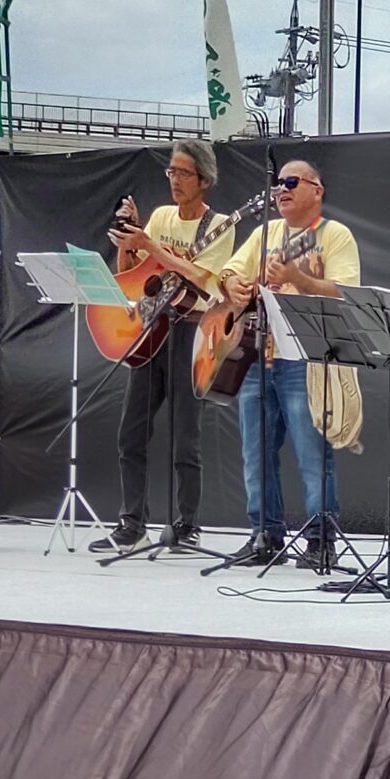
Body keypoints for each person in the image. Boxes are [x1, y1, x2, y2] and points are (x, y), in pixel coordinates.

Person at [213, 159, 361, 568]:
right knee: (255, 451)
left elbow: (345, 291)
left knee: (313, 454)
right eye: (278, 184)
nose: (282, 190)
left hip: (306, 357)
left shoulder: (334, 235)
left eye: (292, 182)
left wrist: (301, 276)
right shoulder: (265, 233)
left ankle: (320, 541)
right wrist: (234, 285)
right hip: (259, 353)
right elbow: (227, 271)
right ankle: (265, 534)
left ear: (318, 189)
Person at [91, 141, 235, 554]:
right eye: (170, 172)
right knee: (131, 431)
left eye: (183, 173)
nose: (174, 180)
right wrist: (128, 245)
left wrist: (152, 247)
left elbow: (206, 281)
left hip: (191, 330)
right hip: (153, 327)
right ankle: (131, 521)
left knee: (185, 436)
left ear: (204, 180)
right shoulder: (160, 217)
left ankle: (186, 525)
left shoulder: (220, 224)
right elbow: (136, 277)